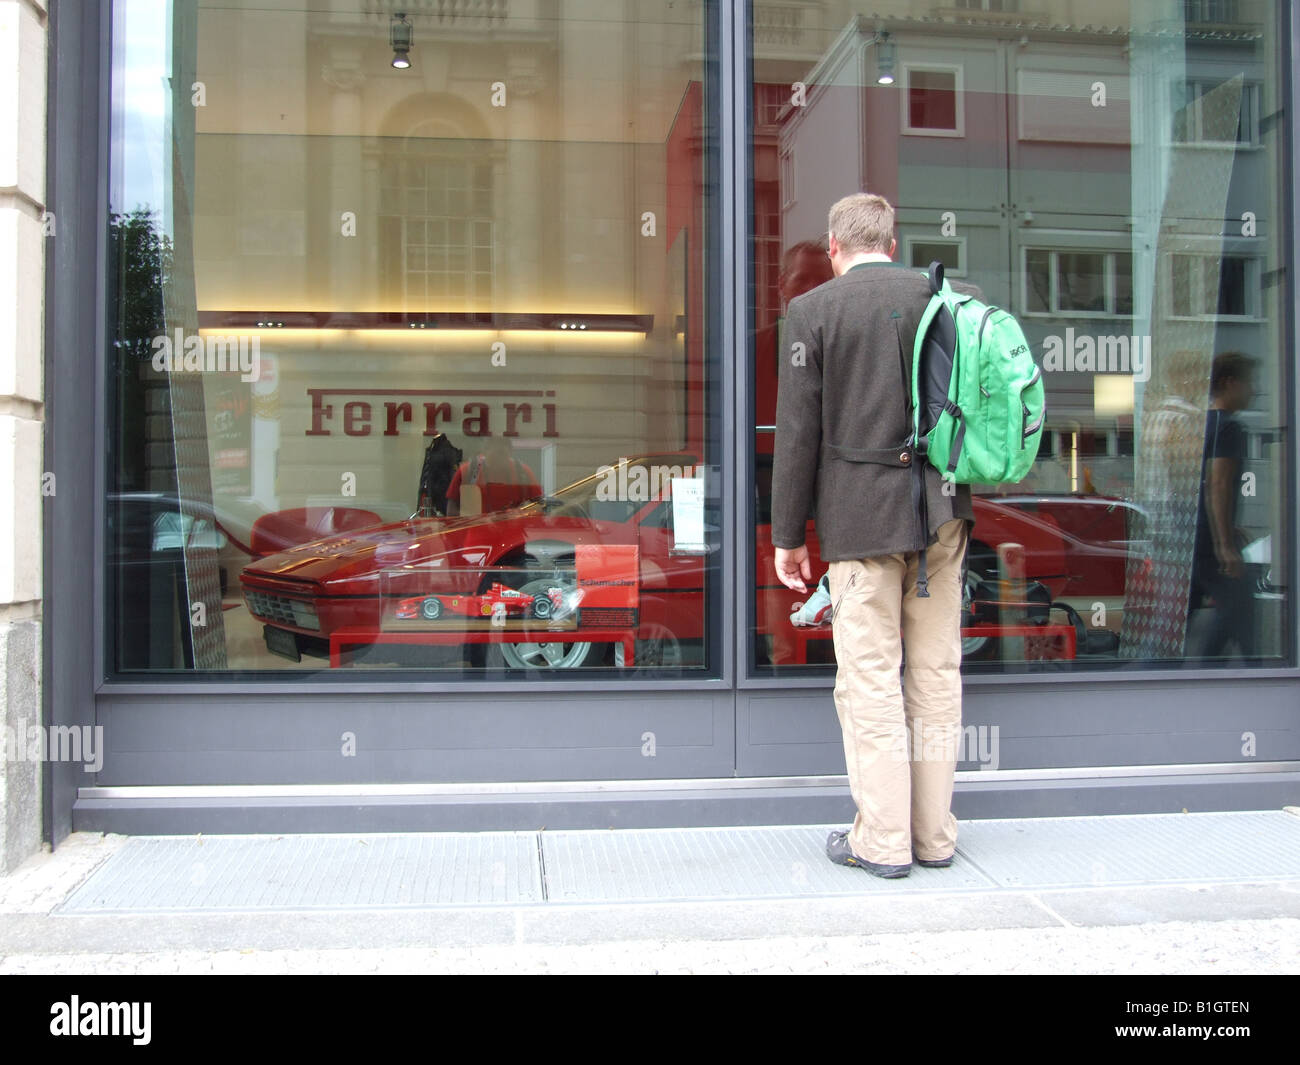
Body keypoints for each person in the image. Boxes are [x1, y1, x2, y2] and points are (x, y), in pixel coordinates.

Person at [770, 192, 975, 878]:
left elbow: (798, 436)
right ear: (892, 242)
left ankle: (882, 841)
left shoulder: (814, 311)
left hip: (861, 521)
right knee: (937, 674)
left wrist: (789, 533)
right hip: (943, 514)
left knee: (870, 680)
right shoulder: (944, 301)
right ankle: (934, 835)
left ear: (834, 248)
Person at [1188, 352, 1256, 660]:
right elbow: (1217, 483)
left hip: (1194, 534)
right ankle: (1213, 674)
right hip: (1210, 542)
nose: (1253, 391)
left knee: (1234, 612)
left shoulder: (1201, 424)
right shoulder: (1229, 428)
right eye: (1249, 383)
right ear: (1230, 383)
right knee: (1237, 608)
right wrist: (1225, 544)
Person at [445, 436, 541, 516]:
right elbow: (451, 511)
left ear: (510, 450)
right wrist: (479, 520)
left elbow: (539, 507)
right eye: (494, 446)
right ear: (485, 450)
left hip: (514, 536)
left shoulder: (522, 472)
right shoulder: (467, 470)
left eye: (503, 446)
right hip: (477, 536)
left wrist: (520, 513)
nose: (498, 451)